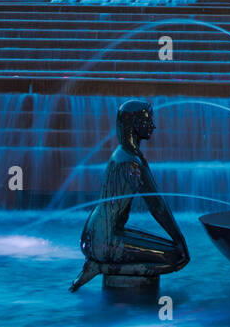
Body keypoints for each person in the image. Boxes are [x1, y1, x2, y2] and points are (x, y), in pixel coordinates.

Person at [70, 99, 189, 291]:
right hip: (104, 241)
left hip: (97, 234)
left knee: (170, 249)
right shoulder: (131, 162)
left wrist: (178, 240)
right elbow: (156, 205)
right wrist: (181, 241)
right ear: (134, 123)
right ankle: (102, 266)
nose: (153, 126)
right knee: (174, 256)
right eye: (148, 120)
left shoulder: (124, 154)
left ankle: (99, 264)